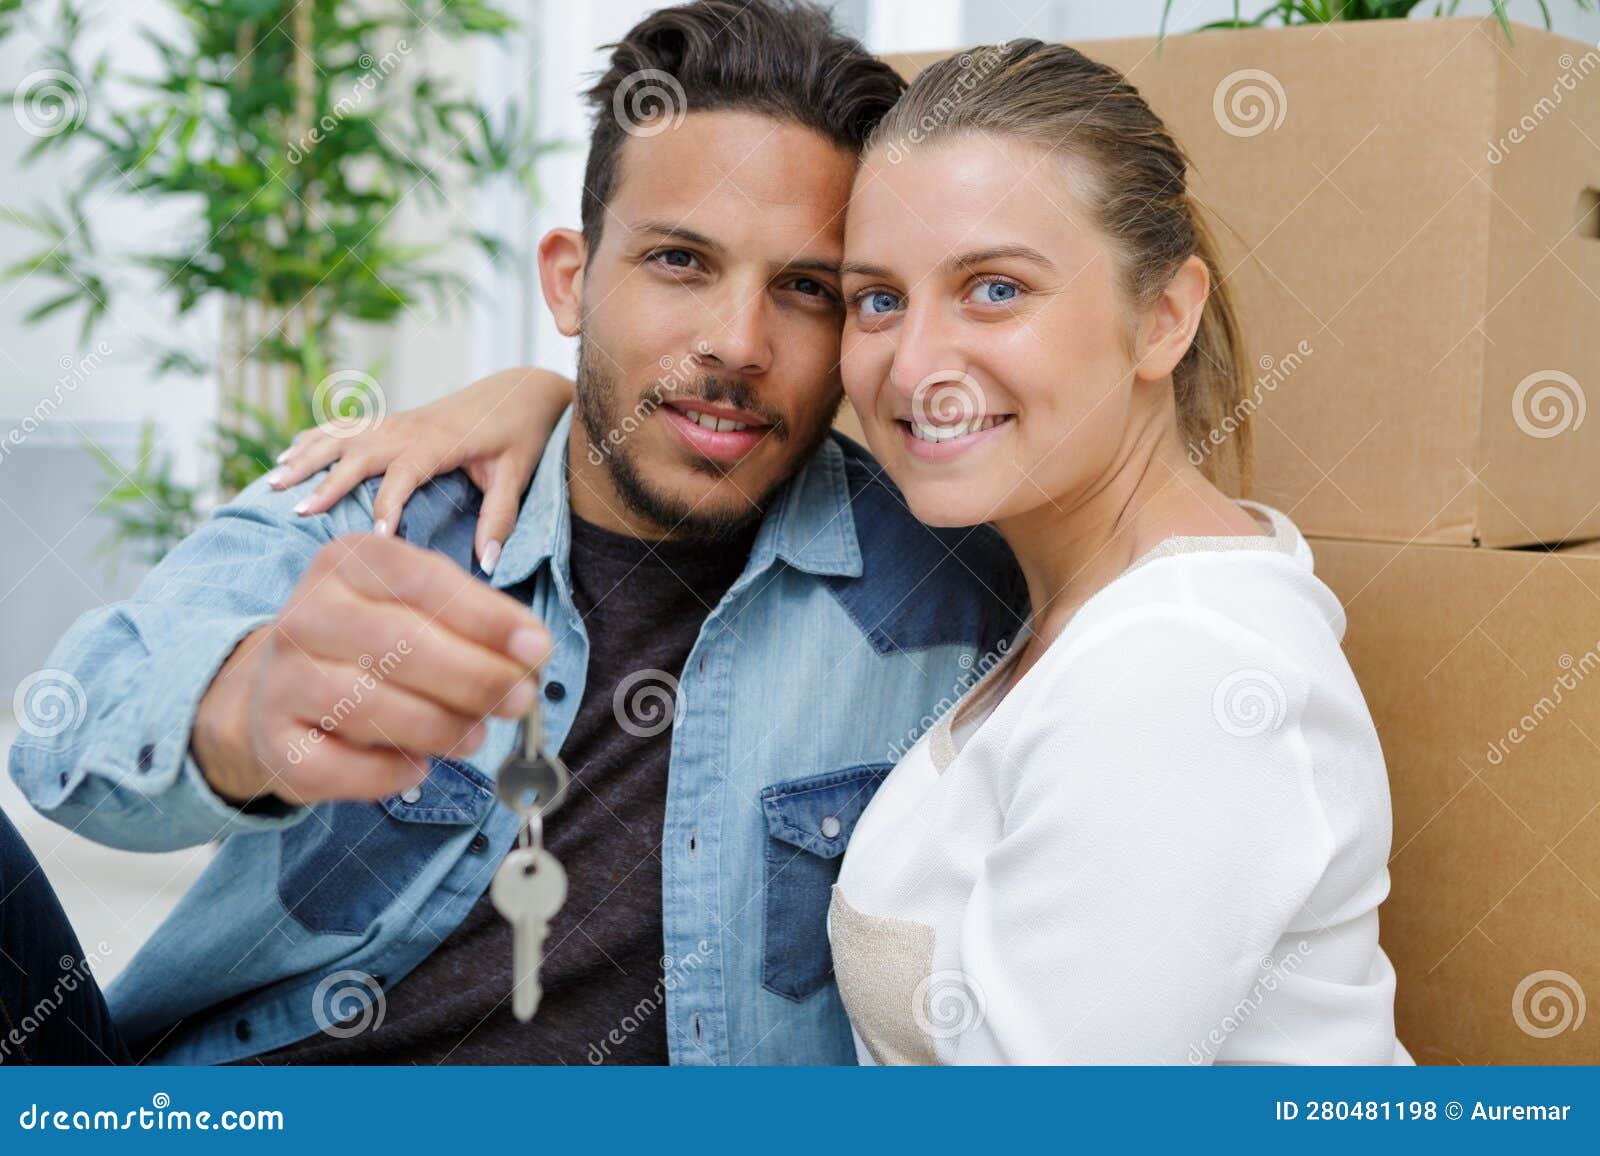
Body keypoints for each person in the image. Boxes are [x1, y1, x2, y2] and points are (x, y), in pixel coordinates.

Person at [277, 41, 1411, 1064]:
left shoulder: (1178, 674)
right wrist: (547, 401)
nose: (918, 364)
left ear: (1162, 317)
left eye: (996, 289)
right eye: (873, 298)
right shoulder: (1048, 597)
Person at [4, 0, 1024, 1065]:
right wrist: (244, 712)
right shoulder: (390, 501)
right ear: (570, 280)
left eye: (806, 288)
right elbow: (68, 742)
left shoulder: (948, 594)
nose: (736, 343)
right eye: (679, 261)